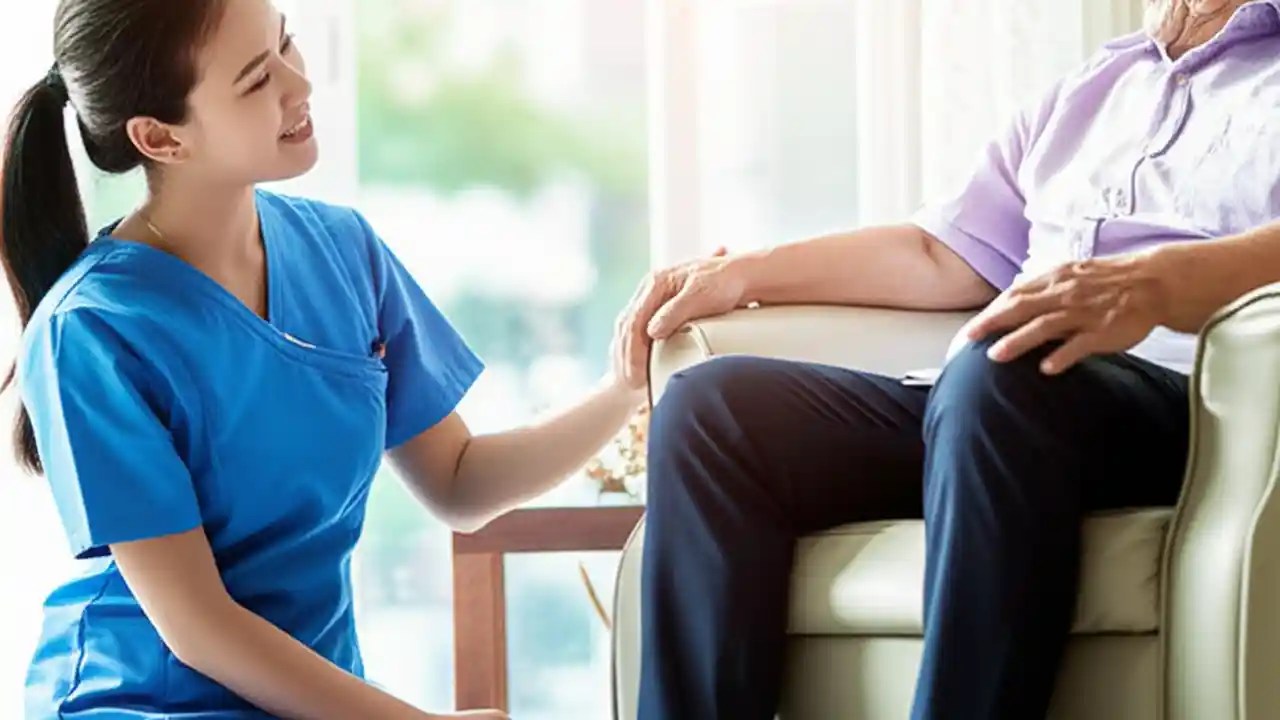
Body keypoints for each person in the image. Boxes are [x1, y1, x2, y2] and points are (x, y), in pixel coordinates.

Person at [618, 0, 1280, 718]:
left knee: (1002, 370)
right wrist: (745, 273)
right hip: (998, 402)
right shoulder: (1095, 87)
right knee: (713, 411)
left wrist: (1156, 284)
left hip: (1198, 409)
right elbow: (942, 254)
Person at [1, 1, 647, 718]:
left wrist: (625, 388)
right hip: (147, 702)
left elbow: (461, 483)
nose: (298, 85)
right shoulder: (92, 328)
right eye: (255, 80)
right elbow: (200, 630)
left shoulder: (345, 252)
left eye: (287, 46)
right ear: (160, 136)